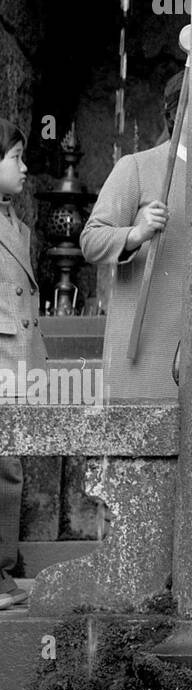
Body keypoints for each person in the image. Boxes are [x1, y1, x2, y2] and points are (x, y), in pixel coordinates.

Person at [81, 72, 188, 402]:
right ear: (175, 112)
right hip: (149, 343)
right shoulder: (137, 167)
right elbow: (91, 240)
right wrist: (136, 233)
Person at [0, 119, 47, 611]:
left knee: (9, 467)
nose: (24, 166)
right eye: (15, 156)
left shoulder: (15, 223)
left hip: (18, 363)